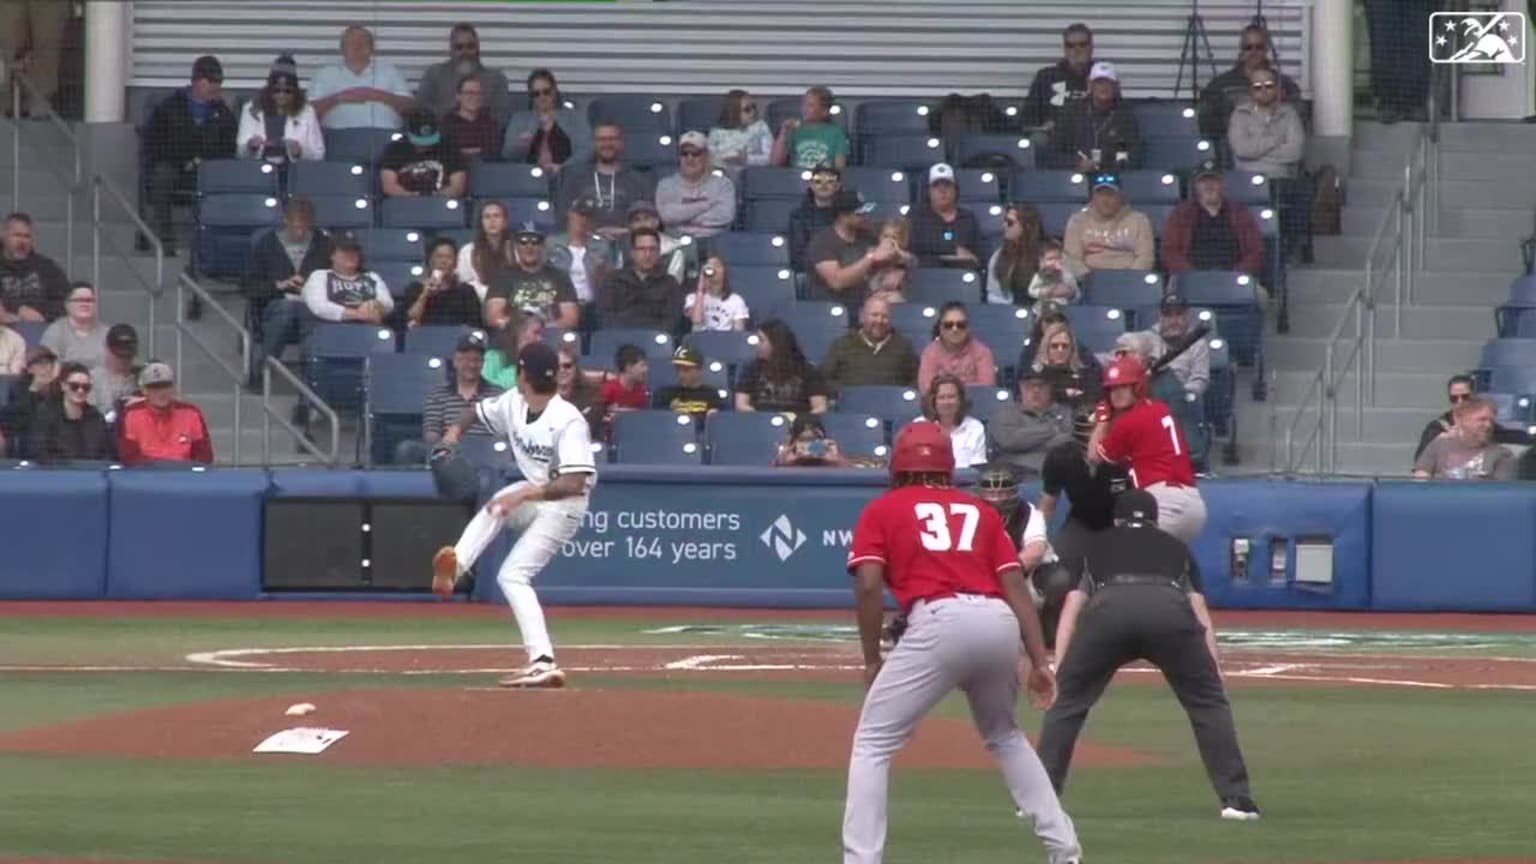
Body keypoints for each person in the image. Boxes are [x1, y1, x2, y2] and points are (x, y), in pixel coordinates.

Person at [842, 421, 1082, 864]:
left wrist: (873, 656)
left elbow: (870, 586)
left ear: (899, 465)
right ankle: (1064, 849)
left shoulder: (884, 509)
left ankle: (861, 860)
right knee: (1006, 735)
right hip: (998, 621)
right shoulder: (981, 511)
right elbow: (1014, 587)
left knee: (873, 742)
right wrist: (1039, 659)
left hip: (939, 619)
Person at [1036, 489, 1261, 823]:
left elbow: (1072, 606)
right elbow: (1199, 609)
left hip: (1109, 611)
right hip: (1168, 611)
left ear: (1116, 519)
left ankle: (1040, 799)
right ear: (1156, 521)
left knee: (1067, 704)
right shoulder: (1177, 548)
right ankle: (1236, 801)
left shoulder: (1096, 546)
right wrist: (1213, 667)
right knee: (1208, 704)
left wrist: (1061, 668)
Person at [431, 341, 599, 689]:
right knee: (498, 502)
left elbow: (574, 482)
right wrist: (452, 434)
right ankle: (455, 566)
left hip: (564, 508)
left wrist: (525, 493)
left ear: (524, 375)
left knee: (512, 576)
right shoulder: (513, 402)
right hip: (535, 495)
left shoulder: (567, 419)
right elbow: (476, 411)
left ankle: (543, 661)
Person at [1088, 356, 1205, 545]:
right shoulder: (1161, 408)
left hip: (1161, 503)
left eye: (1123, 386)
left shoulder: (1128, 422)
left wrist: (1103, 419)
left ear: (1138, 387)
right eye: (1112, 388)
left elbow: (1094, 455)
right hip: (1194, 504)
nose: (1116, 393)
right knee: (1168, 567)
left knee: (1135, 563)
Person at [1040, 408, 1130, 566]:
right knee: (1061, 568)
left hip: (1121, 522)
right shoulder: (1060, 457)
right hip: (1081, 520)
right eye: (1089, 430)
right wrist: (1038, 537)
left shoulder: (1126, 456)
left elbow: (1143, 499)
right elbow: (1048, 504)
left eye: (1097, 429)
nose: (1093, 436)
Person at [414, 23, 513, 127]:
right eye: (459, 47)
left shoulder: (496, 79)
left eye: (470, 46)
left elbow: (501, 119)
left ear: (478, 48)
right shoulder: (434, 74)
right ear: (451, 50)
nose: (465, 52)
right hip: (442, 137)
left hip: (482, 138)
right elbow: (420, 110)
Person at [116, 363, 214, 465]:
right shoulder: (131, 414)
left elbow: (204, 456)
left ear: (173, 387)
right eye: (155, 387)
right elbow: (129, 456)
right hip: (146, 474)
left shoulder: (191, 413)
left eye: (165, 386)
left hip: (184, 474)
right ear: (144, 390)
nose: (161, 392)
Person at [485, 224, 580, 329]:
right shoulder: (503, 277)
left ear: (543, 246)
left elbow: (571, 319)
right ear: (516, 246)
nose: (529, 247)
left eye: (535, 242)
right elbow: (493, 317)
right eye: (523, 242)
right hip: (514, 338)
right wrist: (523, 329)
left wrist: (540, 328)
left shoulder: (560, 277)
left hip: (550, 337)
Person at [236, 54, 325, 165]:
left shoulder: (307, 112)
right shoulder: (251, 109)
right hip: (258, 168)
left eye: (287, 91)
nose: (281, 95)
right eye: (277, 90)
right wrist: (251, 146)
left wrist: (300, 151)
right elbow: (240, 152)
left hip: (294, 171)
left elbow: (318, 153)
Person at [502, 69, 592, 171]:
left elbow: (587, 150)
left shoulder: (575, 118)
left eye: (546, 92)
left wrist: (563, 169)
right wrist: (522, 145)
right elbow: (507, 154)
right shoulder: (520, 119)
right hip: (528, 179)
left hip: (568, 178)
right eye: (536, 94)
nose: (542, 97)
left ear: (554, 91)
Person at [733, 319, 829, 414]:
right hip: (759, 423)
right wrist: (760, 419)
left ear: (776, 343)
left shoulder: (808, 370)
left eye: (761, 340)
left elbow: (820, 407)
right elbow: (741, 405)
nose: (757, 344)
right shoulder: (750, 369)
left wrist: (801, 421)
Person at [1412, 396, 1516, 481]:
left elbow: (1500, 494)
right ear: (1463, 420)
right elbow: (1420, 482)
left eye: (1491, 421)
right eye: (1482, 420)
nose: (1488, 425)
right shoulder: (1439, 445)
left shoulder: (1502, 455)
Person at [30, 361, 115, 464]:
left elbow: (106, 454)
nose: (80, 391)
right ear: (63, 386)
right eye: (74, 386)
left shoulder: (96, 417)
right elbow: (40, 452)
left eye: (86, 387)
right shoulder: (46, 414)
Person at [379, 110, 468, 198]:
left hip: (440, 203)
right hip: (404, 203)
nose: (424, 146)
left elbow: (457, 187)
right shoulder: (395, 149)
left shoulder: (449, 148)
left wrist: (436, 196)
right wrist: (412, 196)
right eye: (420, 142)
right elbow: (389, 186)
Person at [400, 237, 483, 330]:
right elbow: (409, 320)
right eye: (439, 257)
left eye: (448, 257)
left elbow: (474, 325)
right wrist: (425, 294)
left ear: (455, 263)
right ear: (430, 261)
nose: (443, 261)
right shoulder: (415, 288)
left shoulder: (466, 291)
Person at [771, 85, 849, 170]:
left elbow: (840, 167)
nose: (804, 108)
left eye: (810, 106)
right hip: (795, 178)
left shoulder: (836, 133)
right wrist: (784, 132)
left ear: (824, 111)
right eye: (804, 104)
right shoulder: (794, 130)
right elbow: (776, 162)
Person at [918, 374, 987, 468]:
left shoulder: (975, 427)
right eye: (941, 397)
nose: (947, 402)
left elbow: (977, 468)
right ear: (933, 401)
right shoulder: (919, 426)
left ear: (960, 400)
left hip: (965, 481)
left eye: (951, 397)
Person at [707, 89, 774, 180]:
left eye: (753, 107)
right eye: (747, 109)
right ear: (734, 111)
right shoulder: (717, 132)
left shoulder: (760, 127)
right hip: (722, 173)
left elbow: (770, 158)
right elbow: (708, 158)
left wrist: (747, 159)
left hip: (751, 174)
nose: (752, 112)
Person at [985, 204, 1042, 307]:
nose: (1004, 225)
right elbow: (993, 294)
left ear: (1027, 226)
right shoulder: (999, 255)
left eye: (1010, 222)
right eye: (1005, 221)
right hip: (1008, 313)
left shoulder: (1046, 253)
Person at [653, 345, 724, 417]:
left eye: (686, 370)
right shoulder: (665, 394)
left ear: (700, 370)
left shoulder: (711, 394)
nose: (681, 375)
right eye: (678, 369)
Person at [685, 256, 750, 332]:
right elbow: (697, 321)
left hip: (725, 341)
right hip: (700, 341)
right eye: (709, 266)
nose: (713, 269)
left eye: (716, 265)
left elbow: (738, 333)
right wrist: (701, 287)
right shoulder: (693, 298)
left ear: (724, 271)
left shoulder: (736, 300)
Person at [774, 413, 848, 467]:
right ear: (795, 440)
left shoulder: (828, 451)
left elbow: (848, 469)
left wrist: (834, 457)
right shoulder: (789, 452)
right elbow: (777, 468)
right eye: (803, 440)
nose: (809, 445)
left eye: (814, 439)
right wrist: (787, 456)